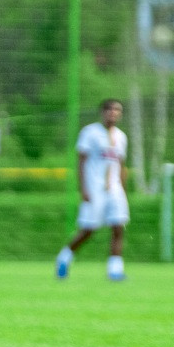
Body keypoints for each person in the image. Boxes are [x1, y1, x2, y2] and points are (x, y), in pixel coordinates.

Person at [56, 99, 129, 282]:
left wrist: (123, 188)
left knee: (118, 227)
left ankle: (115, 270)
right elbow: (81, 162)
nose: (113, 113)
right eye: (109, 109)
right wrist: (84, 189)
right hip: (94, 188)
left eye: (117, 110)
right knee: (88, 230)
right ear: (102, 112)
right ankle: (64, 258)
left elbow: (121, 165)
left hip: (114, 190)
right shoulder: (90, 132)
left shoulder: (121, 136)